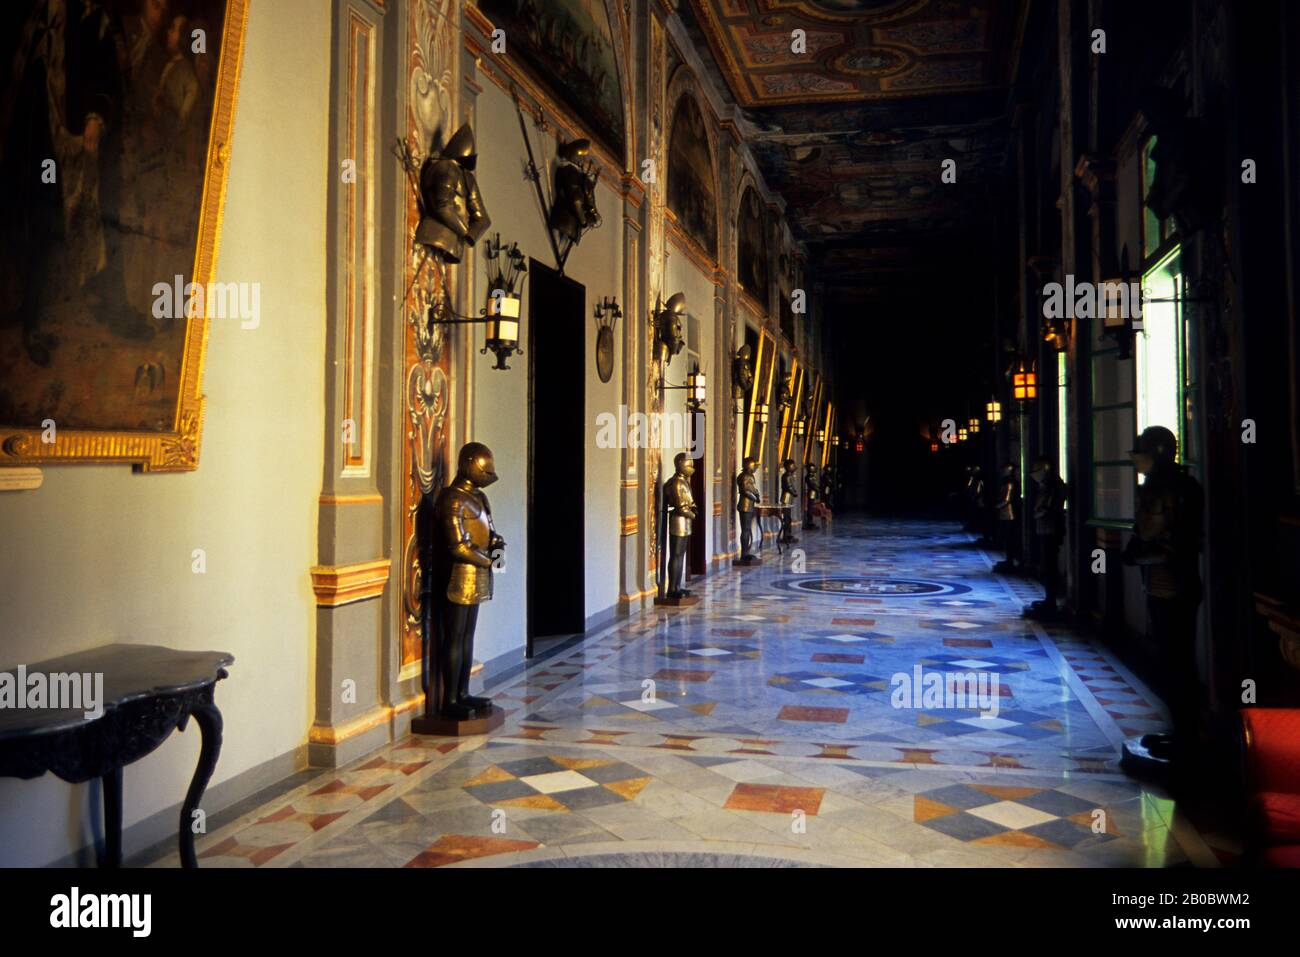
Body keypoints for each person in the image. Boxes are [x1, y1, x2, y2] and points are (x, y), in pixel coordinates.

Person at [1122, 426, 1204, 776]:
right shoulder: (1187, 485)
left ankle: (1187, 736)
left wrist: (1135, 554)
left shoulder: (1162, 490)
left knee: (1174, 662)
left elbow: (1149, 535)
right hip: (1176, 579)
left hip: (1169, 580)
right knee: (1175, 659)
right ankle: (1183, 733)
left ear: (1155, 453)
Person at [1024, 456, 1066, 619]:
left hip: (1051, 528)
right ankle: (1048, 598)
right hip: (1045, 528)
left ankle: (1051, 600)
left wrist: (1039, 513)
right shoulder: (1046, 485)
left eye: (1038, 470)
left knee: (1050, 565)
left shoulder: (1054, 486)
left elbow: (1049, 507)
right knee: (1047, 564)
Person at [993, 463, 1022, 571]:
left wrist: (996, 507)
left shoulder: (1010, 483)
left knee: (1010, 537)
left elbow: (1007, 499)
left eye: (1004, 470)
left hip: (1009, 513)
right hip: (1005, 512)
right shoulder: (1006, 482)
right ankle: (1009, 559)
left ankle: (1011, 559)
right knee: (1007, 537)